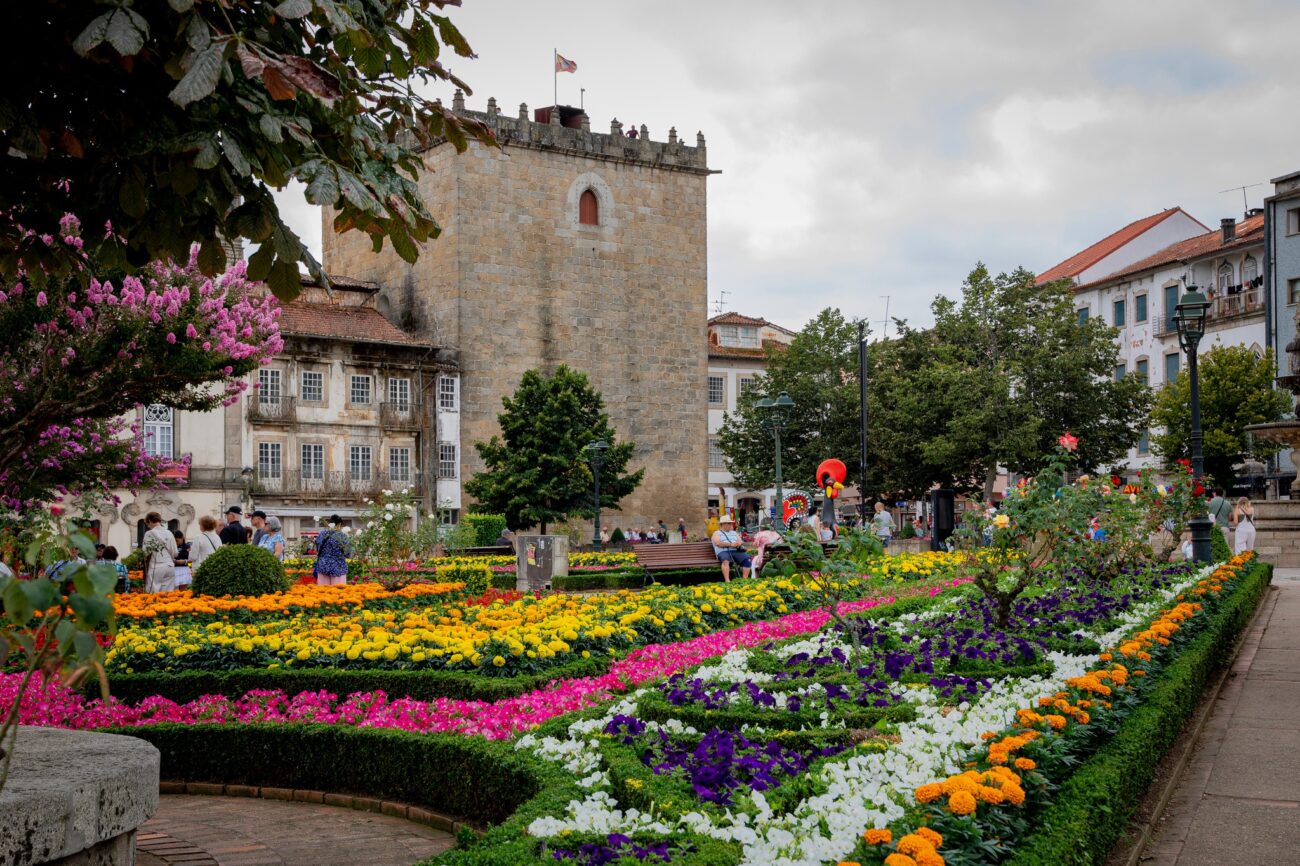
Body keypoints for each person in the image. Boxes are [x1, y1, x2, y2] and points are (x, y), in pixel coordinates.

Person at [142, 511, 178, 593]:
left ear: (150, 521)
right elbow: (175, 552)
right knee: (168, 594)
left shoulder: (149, 533)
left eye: (148, 524)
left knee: (153, 593)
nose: (148, 526)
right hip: (169, 566)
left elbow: (146, 552)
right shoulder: (169, 533)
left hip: (156, 565)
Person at [710, 514, 751, 582]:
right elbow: (718, 543)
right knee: (725, 560)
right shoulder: (716, 533)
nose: (731, 525)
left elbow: (740, 541)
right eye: (729, 523)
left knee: (747, 559)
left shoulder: (734, 533)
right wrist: (731, 544)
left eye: (731, 523)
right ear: (723, 524)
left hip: (735, 550)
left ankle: (744, 580)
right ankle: (727, 580)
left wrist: (738, 543)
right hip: (723, 551)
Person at [314, 514, 350, 586]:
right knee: (339, 592)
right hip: (338, 567)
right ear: (339, 524)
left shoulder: (322, 534)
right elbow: (347, 552)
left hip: (323, 566)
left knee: (322, 592)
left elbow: (318, 548)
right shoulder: (342, 536)